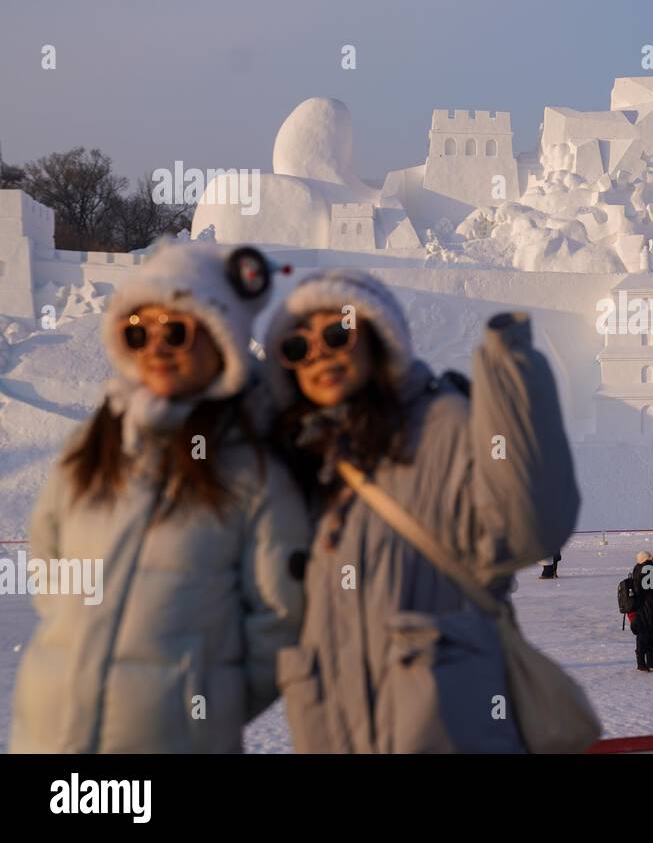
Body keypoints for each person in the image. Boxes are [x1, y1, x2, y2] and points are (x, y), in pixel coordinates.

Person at [9, 243, 312, 753]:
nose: (157, 345)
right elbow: (47, 558)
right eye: (138, 331)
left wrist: (204, 702)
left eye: (177, 330)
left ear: (222, 341)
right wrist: (71, 634)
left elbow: (281, 619)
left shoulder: (253, 468)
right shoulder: (95, 444)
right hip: (48, 735)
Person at [266, 269, 580, 752]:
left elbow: (528, 529)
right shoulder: (313, 463)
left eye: (336, 333)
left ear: (378, 336)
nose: (319, 355)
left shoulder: (442, 423)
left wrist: (511, 365)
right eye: (296, 347)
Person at [629, 551, 653, 671]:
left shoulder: (637, 569)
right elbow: (650, 589)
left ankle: (643, 662)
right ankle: (647, 662)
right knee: (650, 634)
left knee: (644, 635)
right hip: (648, 607)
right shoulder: (648, 568)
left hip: (640, 608)